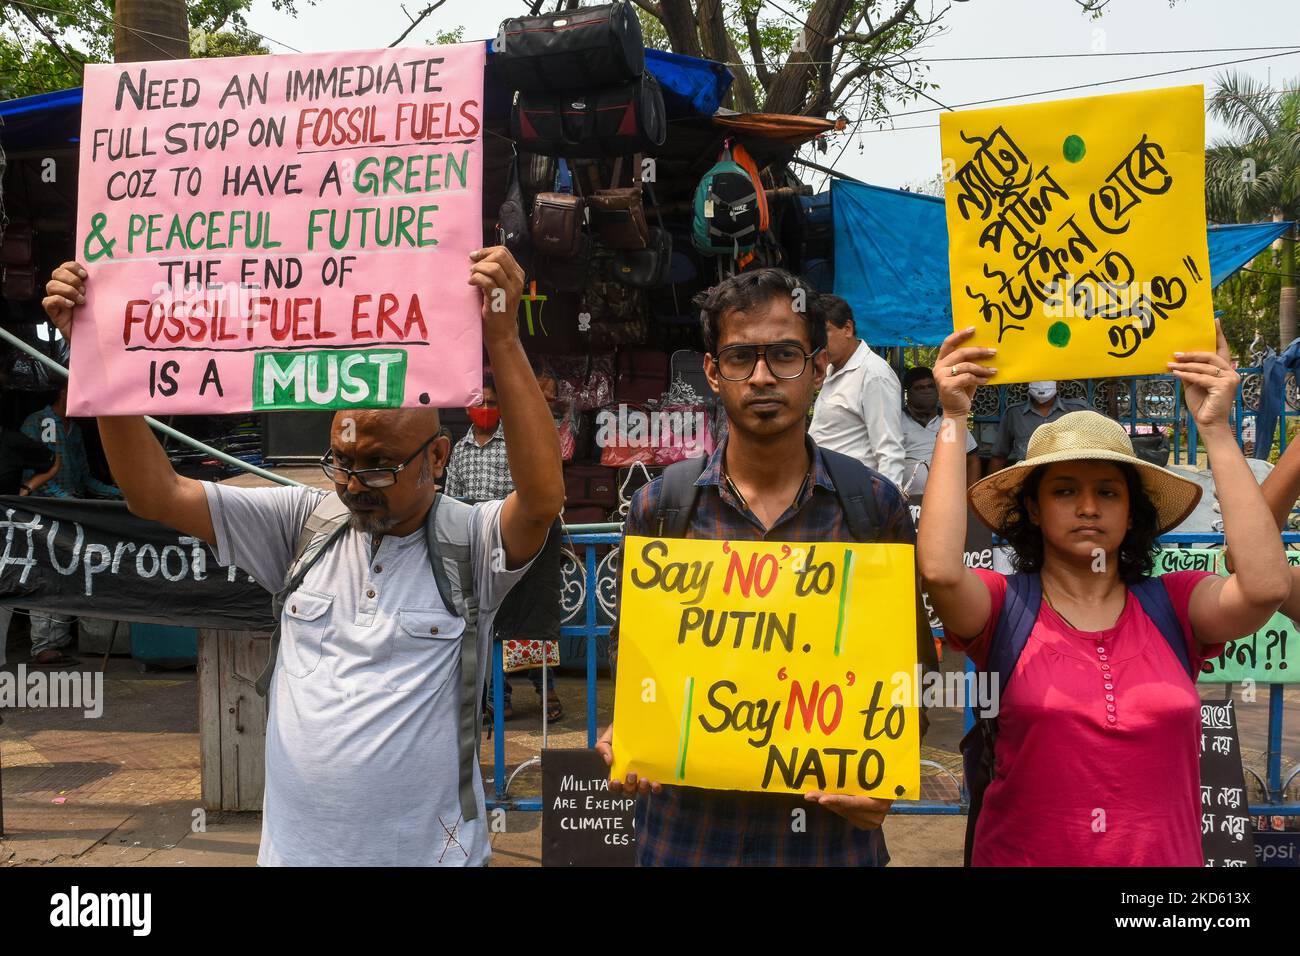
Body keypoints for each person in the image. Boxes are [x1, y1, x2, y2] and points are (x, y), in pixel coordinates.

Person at [43, 248, 565, 866]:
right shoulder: (302, 523)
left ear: (438, 458)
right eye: (341, 463)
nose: (352, 485)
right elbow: (155, 493)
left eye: (379, 468)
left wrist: (501, 336)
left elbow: (540, 500)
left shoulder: (470, 543)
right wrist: (101, 351)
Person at [596, 269, 934, 867]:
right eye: (739, 357)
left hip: (830, 844)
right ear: (711, 371)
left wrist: (890, 767)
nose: (760, 377)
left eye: (783, 355)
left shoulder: (872, 507)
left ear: (819, 368)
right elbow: (637, 667)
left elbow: (918, 678)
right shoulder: (661, 507)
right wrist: (623, 732)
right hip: (684, 840)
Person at [917, 324, 1290, 866]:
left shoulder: (1175, 605)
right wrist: (952, 420)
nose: (1088, 506)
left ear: (1131, 512)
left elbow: (1266, 586)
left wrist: (1214, 428)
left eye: (1107, 492)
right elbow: (940, 571)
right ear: (1034, 510)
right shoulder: (1004, 607)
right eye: (1065, 490)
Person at [445, 375, 561, 722]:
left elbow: (529, 493)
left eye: (492, 404)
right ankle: (499, 698)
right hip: (479, 551)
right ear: (467, 408)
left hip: (517, 545)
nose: (485, 410)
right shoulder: (459, 451)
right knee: (492, 625)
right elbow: (451, 499)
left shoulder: (514, 444)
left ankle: (546, 692)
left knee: (531, 620)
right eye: (479, 403)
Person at [19, 384, 117, 668]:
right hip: (42, 513)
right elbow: (34, 477)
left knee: (66, 574)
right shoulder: (36, 423)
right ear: (63, 391)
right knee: (44, 575)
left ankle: (57, 640)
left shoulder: (74, 428)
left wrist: (117, 492)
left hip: (68, 512)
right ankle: (42, 643)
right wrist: (69, 501)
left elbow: (84, 477)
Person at [808, 294, 905, 487]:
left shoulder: (874, 374)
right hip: (828, 490)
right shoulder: (830, 368)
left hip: (854, 494)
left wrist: (886, 507)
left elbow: (889, 450)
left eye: (824, 332)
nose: (818, 341)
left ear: (848, 329)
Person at [900, 366, 979, 494]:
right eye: (920, 388)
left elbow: (972, 459)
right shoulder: (897, 421)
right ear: (908, 393)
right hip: (906, 500)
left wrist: (970, 496)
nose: (926, 391)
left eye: (930, 386)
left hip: (947, 498)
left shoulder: (950, 420)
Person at [988, 379, 1089, 473]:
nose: (1042, 383)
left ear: (1058, 383)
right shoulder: (1014, 414)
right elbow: (998, 457)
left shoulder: (1078, 409)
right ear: (1027, 382)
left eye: (1048, 377)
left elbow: (1103, 433)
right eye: (1036, 377)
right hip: (1027, 482)